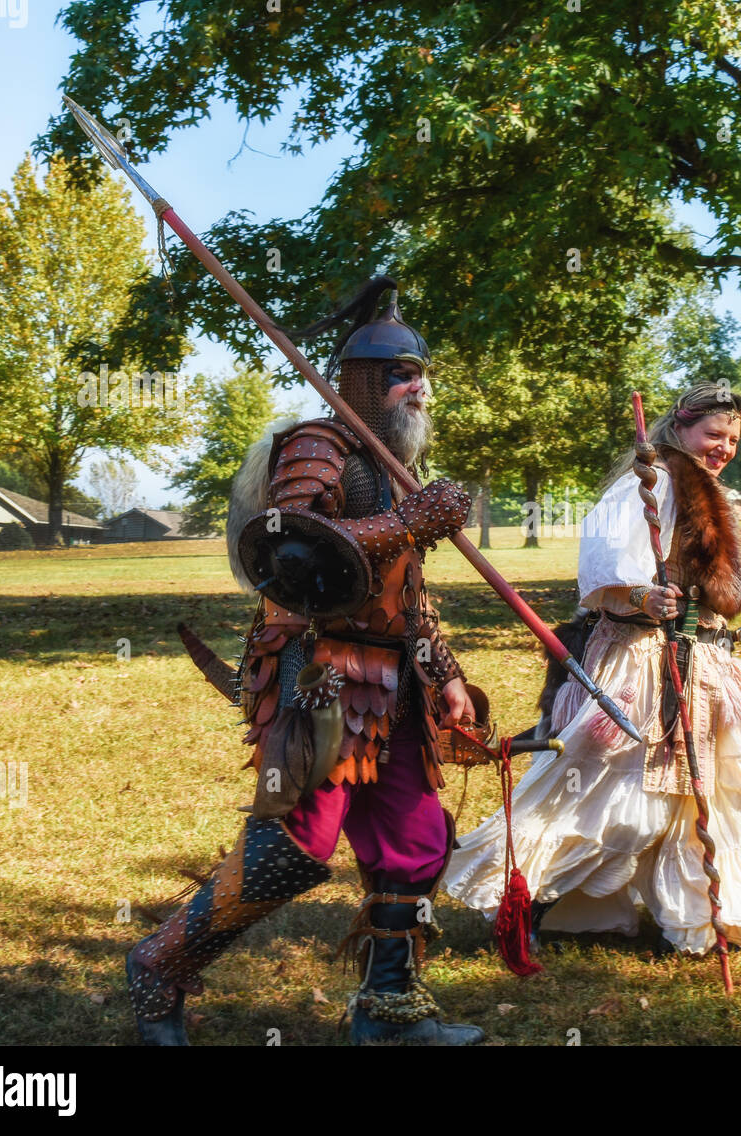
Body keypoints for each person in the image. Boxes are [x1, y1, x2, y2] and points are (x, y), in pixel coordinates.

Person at [125, 277, 486, 1045]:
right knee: (294, 843)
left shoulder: (392, 465)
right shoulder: (318, 446)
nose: (417, 387)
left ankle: (389, 1013)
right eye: (400, 374)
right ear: (361, 381)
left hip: (394, 685)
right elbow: (286, 554)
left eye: (420, 374)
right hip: (319, 674)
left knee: (417, 841)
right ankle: (160, 965)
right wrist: (410, 518)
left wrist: (445, 669)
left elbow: (405, 594)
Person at [445, 382, 741, 956]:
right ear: (680, 429)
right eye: (713, 435)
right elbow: (601, 575)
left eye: (733, 439)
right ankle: (528, 898)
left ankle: (714, 915)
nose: (724, 447)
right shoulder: (645, 487)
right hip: (641, 663)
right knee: (611, 794)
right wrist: (643, 597)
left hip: (699, 663)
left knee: (710, 793)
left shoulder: (709, 492)